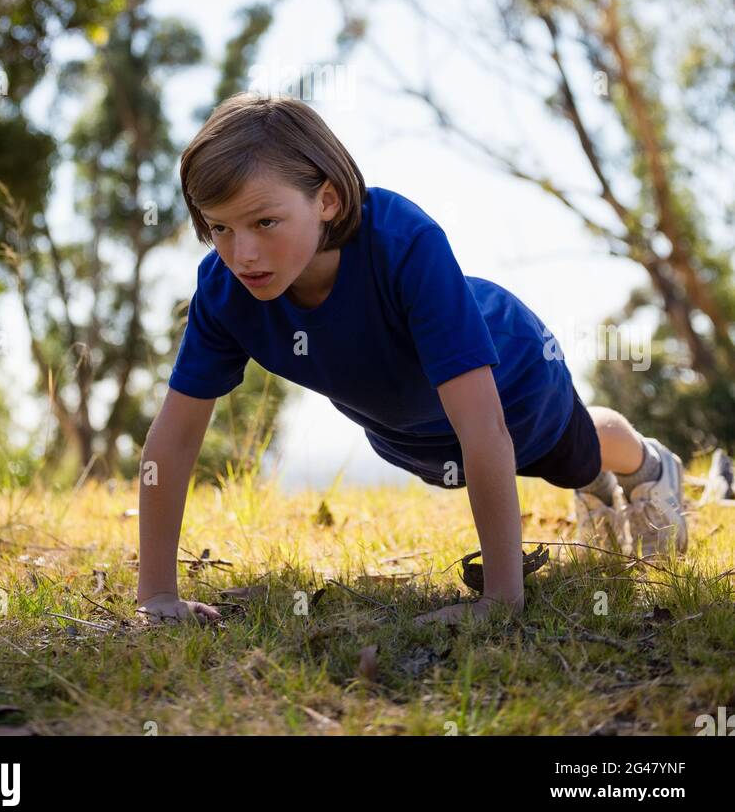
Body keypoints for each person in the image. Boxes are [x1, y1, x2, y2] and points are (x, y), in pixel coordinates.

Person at [136, 93, 688, 628]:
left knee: (571, 456)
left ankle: (647, 466)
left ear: (326, 199)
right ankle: (595, 490)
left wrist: (500, 598)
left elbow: (484, 425)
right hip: (408, 428)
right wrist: (158, 592)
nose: (242, 254)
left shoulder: (402, 239)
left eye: (264, 223)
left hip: (512, 376)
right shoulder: (223, 291)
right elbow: (177, 437)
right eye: (220, 229)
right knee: (462, 470)